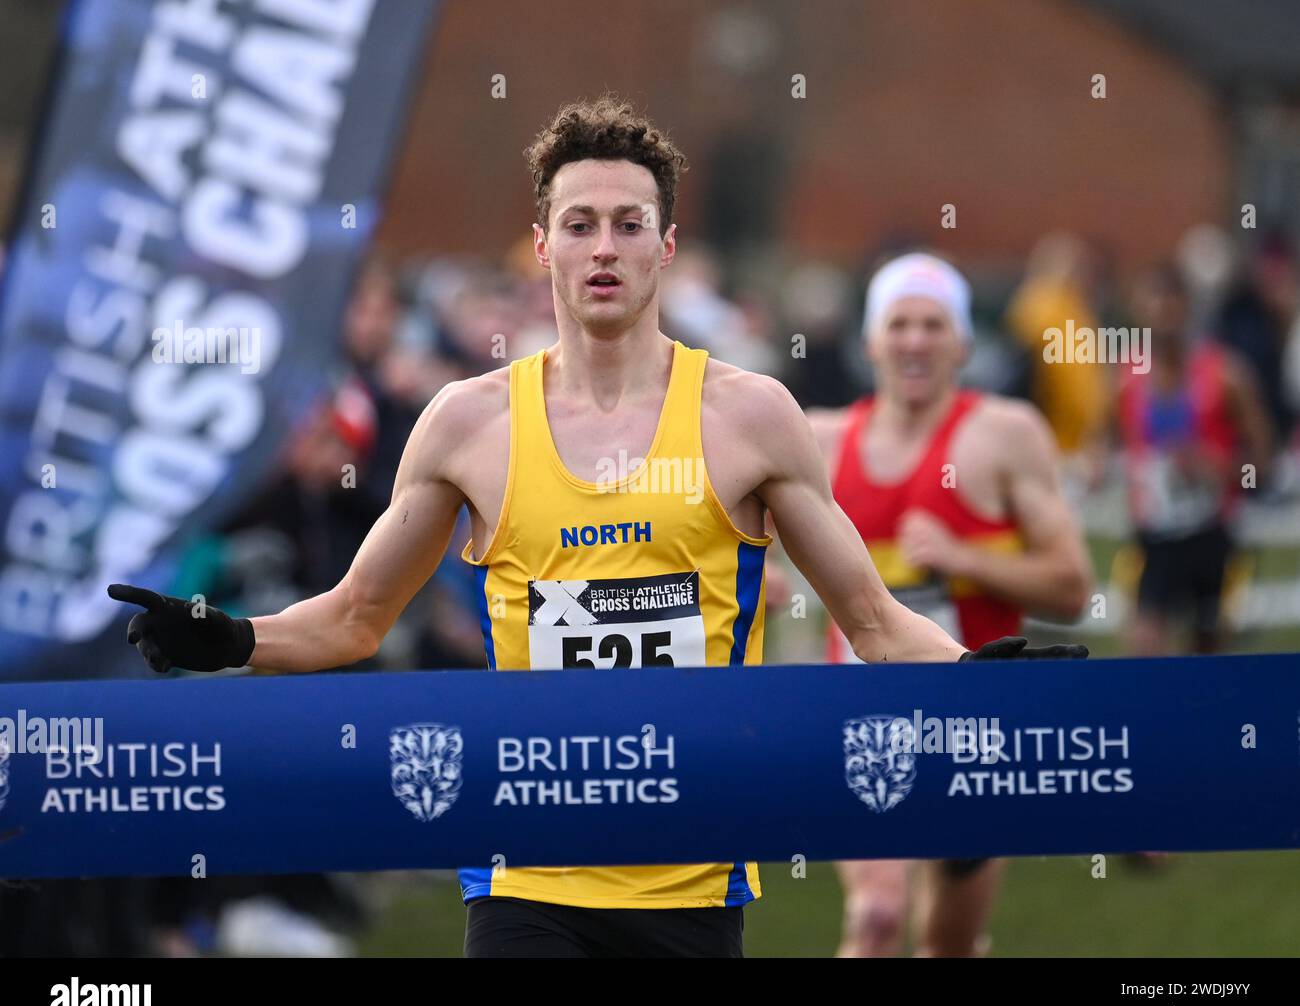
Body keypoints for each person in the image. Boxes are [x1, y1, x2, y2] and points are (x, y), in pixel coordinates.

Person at [108, 96, 1085, 959]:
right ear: (543, 247)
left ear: (666, 247)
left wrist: (973, 678)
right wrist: (230, 637)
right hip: (528, 874)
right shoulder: (468, 423)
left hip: (691, 873)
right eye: (580, 225)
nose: (605, 248)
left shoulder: (748, 418)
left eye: (629, 224)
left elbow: (870, 621)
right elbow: (356, 616)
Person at [808, 252, 1093, 958]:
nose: (914, 341)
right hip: (863, 718)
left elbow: (1072, 587)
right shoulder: (820, 440)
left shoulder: (1004, 434)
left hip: (976, 724)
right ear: (871, 340)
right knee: (876, 914)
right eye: (898, 324)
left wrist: (964, 559)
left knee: (947, 945)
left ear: (963, 343)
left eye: (934, 325)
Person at [1118, 264, 1273, 657]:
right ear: (1138, 311)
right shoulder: (1126, 379)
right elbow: (1097, 445)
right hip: (1153, 538)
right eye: (1151, 306)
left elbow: (1264, 459)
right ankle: (1150, 719)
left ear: (1186, 309)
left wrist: (1218, 467)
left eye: (1170, 306)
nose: (1160, 318)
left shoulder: (1226, 374)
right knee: (1144, 648)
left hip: (1212, 535)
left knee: (1208, 657)